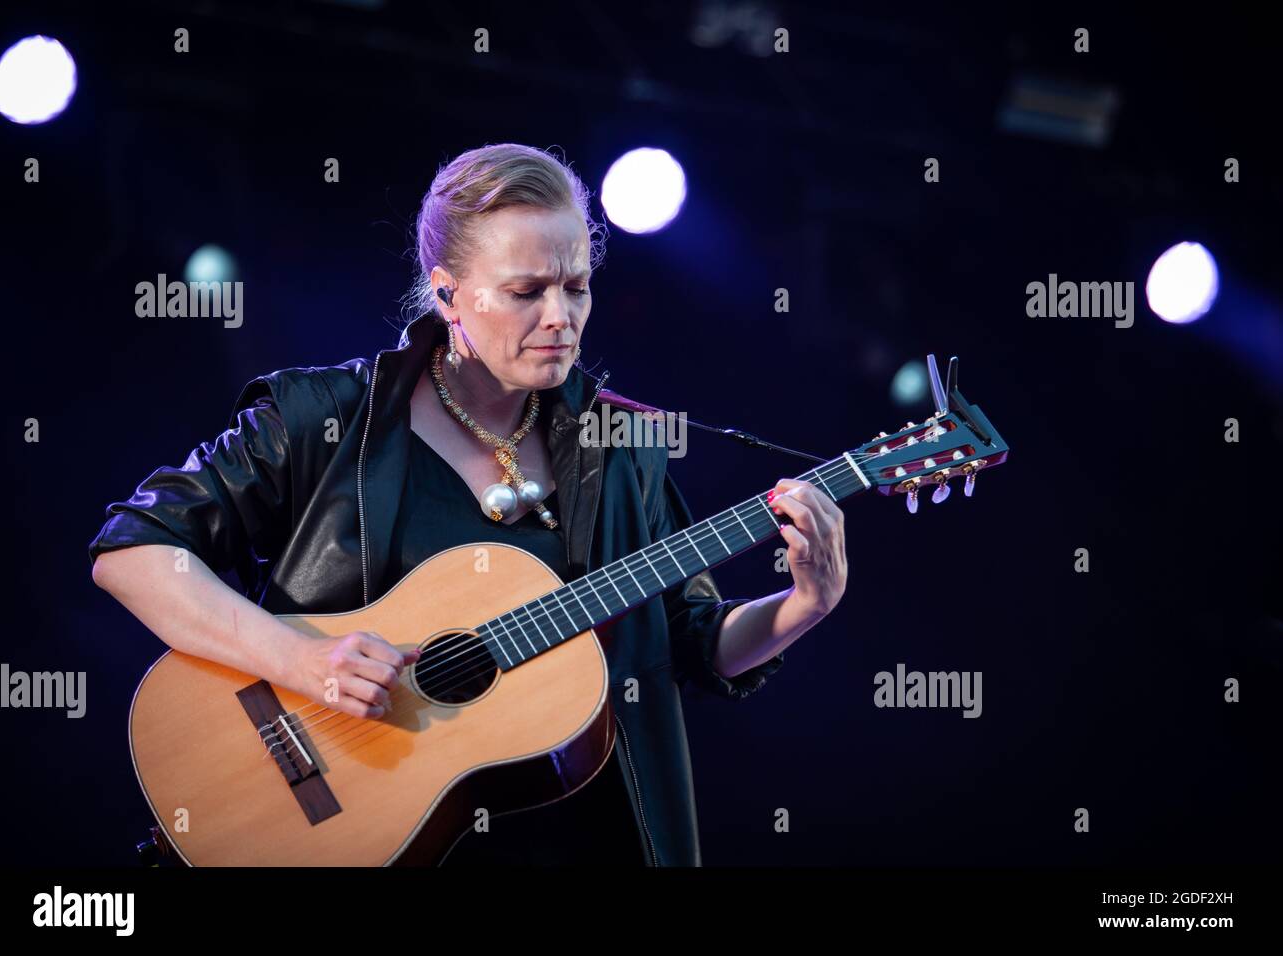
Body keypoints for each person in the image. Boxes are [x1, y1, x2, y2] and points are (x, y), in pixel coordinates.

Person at [89, 143, 848, 865]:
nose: (561, 317)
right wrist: (301, 659)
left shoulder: (622, 446)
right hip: (361, 831)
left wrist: (804, 603)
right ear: (448, 291)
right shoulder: (321, 417)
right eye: (526, 291)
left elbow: (693, 640)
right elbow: (134, 552)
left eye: (577, 286)